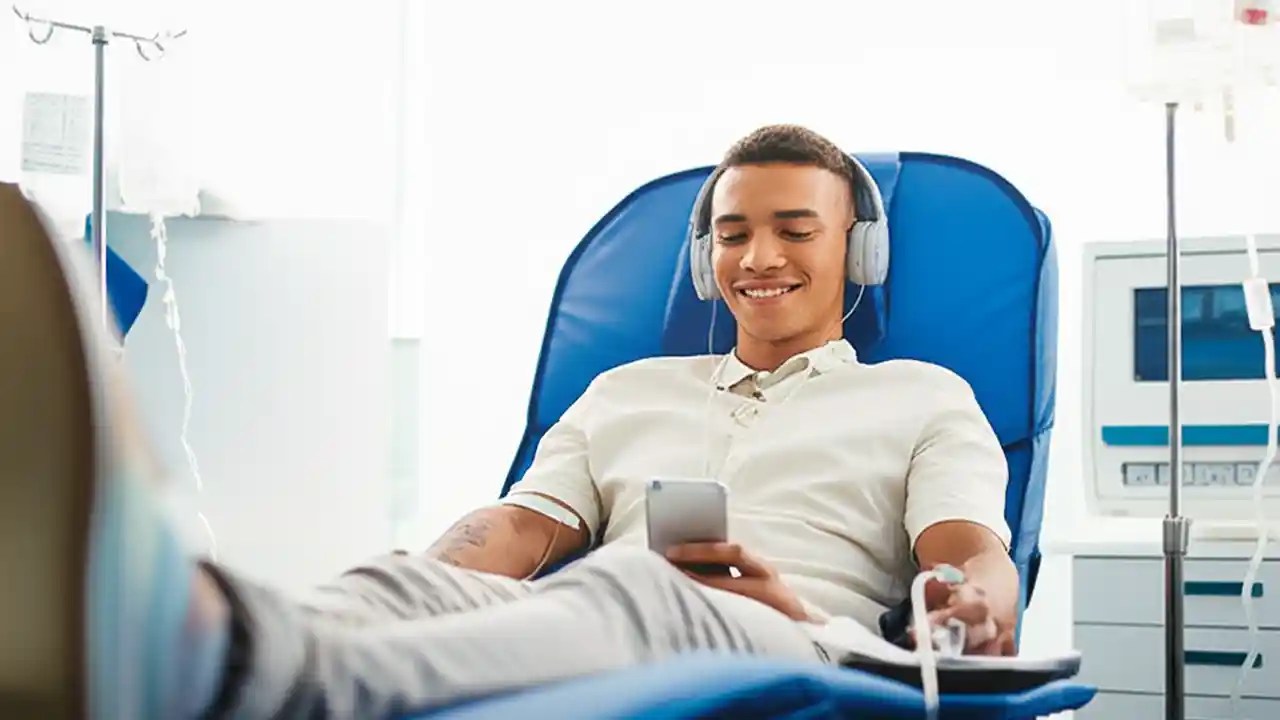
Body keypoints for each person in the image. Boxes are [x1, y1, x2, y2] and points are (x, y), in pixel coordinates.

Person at [0, 124, 1017, 720]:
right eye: (732, 234)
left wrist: (968, 608)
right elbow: (518, 529)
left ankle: (239, 670)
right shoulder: (626, 390)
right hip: (623, 619)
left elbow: (969, 558)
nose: (757, 258)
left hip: (804, 637)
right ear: (706, 255)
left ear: (858, 256)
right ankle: (162, 641)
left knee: (628, 582)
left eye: (793, 231)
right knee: (407, 579)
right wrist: (431, 583)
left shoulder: (923, 396)